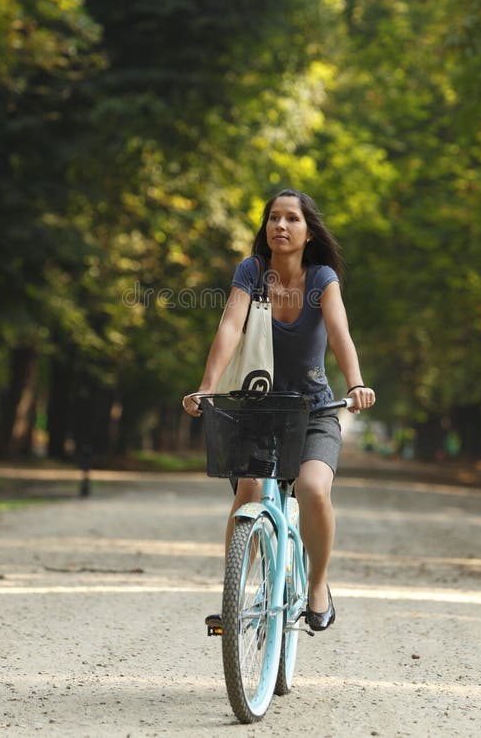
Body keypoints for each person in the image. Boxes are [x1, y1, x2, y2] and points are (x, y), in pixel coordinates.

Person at [183, 188, 375, 630]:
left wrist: (357, 383)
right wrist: (207, 388)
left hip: (314, 410)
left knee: (312, 489)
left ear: (309, 233)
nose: (280, 226)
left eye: (291, 219)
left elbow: (340, 333)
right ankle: (235, 596)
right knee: (250, 489)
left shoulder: (322, 278)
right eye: (273, 218)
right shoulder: (251, 272)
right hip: (257, 409)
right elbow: (230, 326)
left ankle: (318, 585)